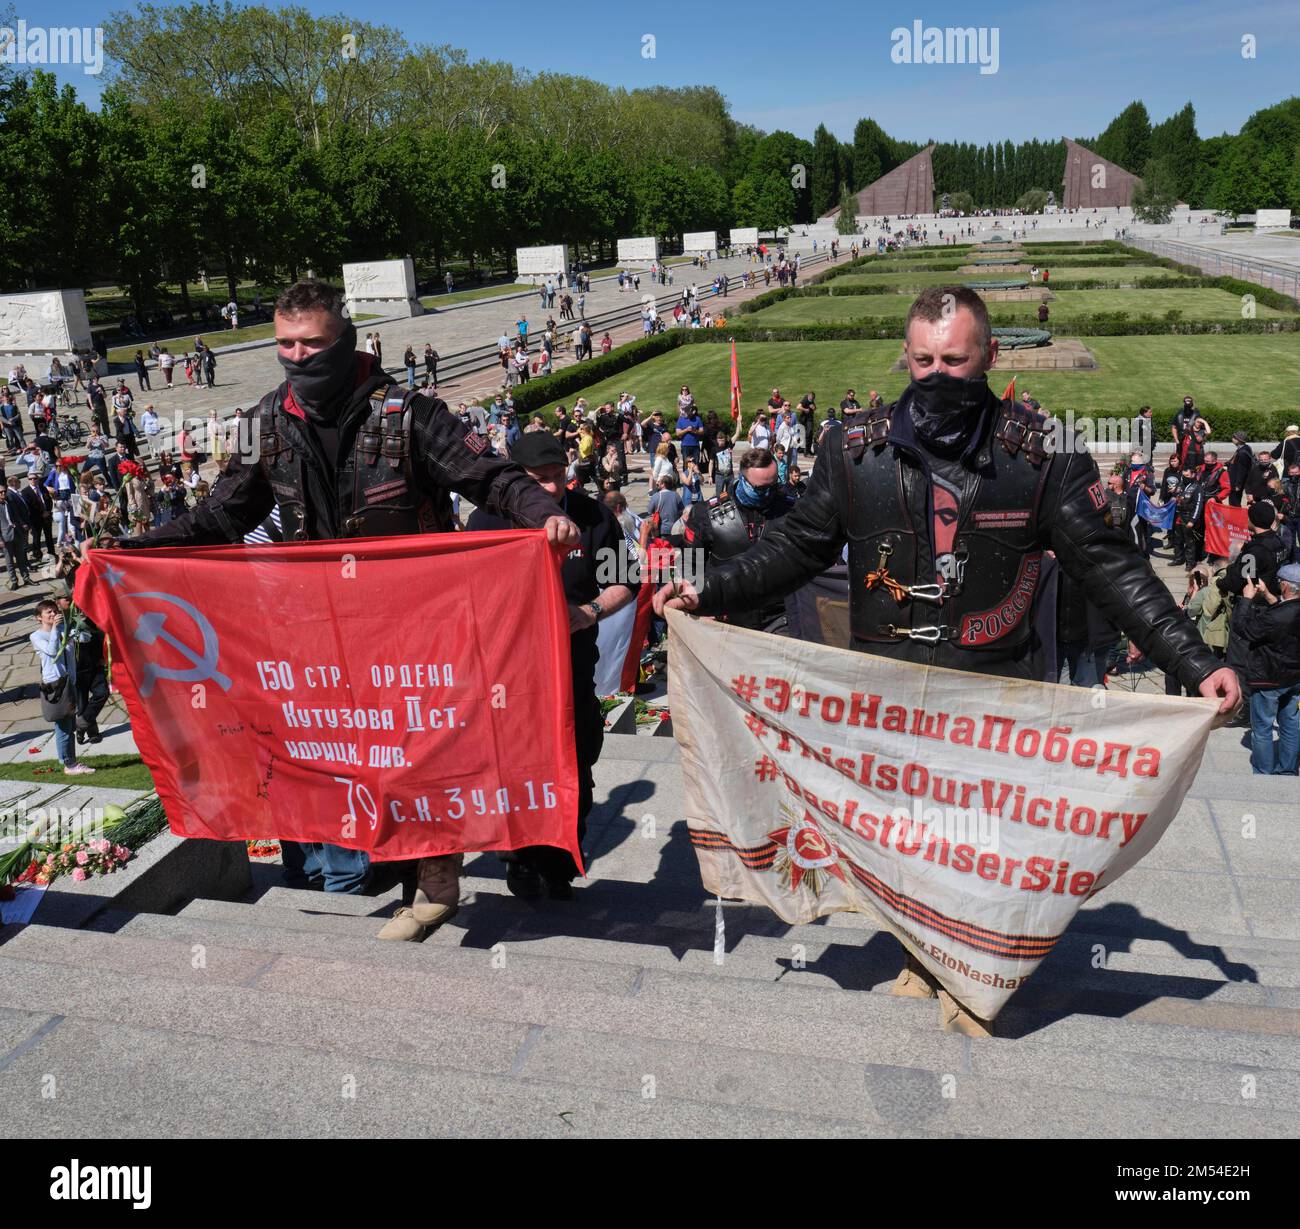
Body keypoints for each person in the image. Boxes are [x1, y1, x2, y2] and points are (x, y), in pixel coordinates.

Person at [655, 285, 1240, 1037]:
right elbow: (796, 546)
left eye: (955, 360)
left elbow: (1109, 564)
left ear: (991, 356)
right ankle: (923, 955)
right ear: (906, 355)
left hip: (994, 698)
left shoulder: (1041, 453)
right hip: (888, 696)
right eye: (923, 358)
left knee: (982, 851)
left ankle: (971, 977)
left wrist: (1195, 660)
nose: (936, 375)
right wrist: (707, 589)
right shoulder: (851, 447)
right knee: (905, 841)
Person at [90, 280, 580, 941]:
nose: (298, 356)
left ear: (344, 339)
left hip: (413, 624)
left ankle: (436, 885)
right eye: (285, 344)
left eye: (313, 343)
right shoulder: (268, 421)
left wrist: (545, 514)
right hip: (322, 627)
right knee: (352, 753)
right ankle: (382, 867)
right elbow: (222, 514)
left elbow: (488, 475)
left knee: (419, 754)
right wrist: (135, 549)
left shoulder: (410, 413)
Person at [466, 432, 637, 895]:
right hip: (510, 667)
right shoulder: (485, 520)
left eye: (558, 478)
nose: (552, 489)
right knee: (519, 761)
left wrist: (590, 612)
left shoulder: (593, 514)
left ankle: (563, 857)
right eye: (539, 481)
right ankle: (521, 855)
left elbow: (626, 581)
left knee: (577, 756)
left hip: (572, 658)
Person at [679, 447, 796, 634]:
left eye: (774, 485)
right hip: (727, 616)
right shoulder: (706, 514)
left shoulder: (791, 509)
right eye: (761, 489)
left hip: (779, 616)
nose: (769, 493)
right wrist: (700, 606)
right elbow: (689, 564)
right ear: (743, 479)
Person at [1232, 564, 1300, 774]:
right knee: (1291, 725)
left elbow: (1244, 629)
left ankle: (1263, 772)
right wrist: (1270, 596)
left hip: (1269, 678)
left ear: (1287, 586)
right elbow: (1285, 613)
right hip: (1295, 677)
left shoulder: (1276, 617)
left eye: (1280, 583)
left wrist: (1246, 599)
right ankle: (1288, 770)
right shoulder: (1285, 611)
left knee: (1262, 728)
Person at [30, 599, 94, 775]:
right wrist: (56, 631)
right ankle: (70, 765)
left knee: (67, 725)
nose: (52, 614)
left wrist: (80, 623)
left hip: (69, 681)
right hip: (56, 684)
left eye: (54, 610)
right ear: (39, 618)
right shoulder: (37, 636)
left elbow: (86, 638)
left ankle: (66, 759)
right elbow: (51, 652)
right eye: (48, 612)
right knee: (64, 725)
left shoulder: (64, 629)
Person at [1227, 432, 1253, 507]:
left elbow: (1242, 470)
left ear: (1238, 440)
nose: (1232, 439)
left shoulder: (1242, 452)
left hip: (1236, 482)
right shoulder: (1244, 448)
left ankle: (1235, 517)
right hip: (1235, 480)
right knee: (1234, 501)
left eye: (1234, 437)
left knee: (1234, 502)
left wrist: (1238, 484)